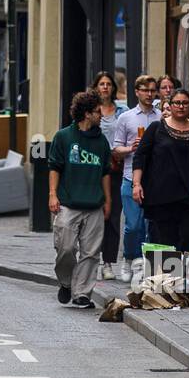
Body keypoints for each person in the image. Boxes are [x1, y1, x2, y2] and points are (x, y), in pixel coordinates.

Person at [133, 88, 189, 275]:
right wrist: (137, 184)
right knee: (164, 239)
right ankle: (165, 284)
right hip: (162, 194)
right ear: (170, 105)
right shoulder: (156, 129)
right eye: (177, 103)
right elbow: (140, 156)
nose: (181, 106)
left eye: (185, 103)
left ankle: (179, 273)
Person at [49, 90, 112, 309]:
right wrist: (52, 194)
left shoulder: (102, 141)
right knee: (65, 248)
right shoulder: (64, 137)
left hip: (94, 204)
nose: (101, 115)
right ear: (86, 114)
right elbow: (55, 168)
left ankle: (82, 293)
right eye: (97, 111)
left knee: (91, 253)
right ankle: (66, 282)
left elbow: (105, 172)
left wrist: (108, 201)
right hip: (68, 203)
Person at [112, 74, 162, 280]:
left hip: (155, 177)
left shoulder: (161, 117)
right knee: (133, 225)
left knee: (151, 225)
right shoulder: (126, 117)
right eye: (146, 90)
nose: (150, 94)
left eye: (152, 91)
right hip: (129, 175)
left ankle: (146, 265)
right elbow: (115, 148)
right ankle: (129, 257)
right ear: (137, 92)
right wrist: (130, 148)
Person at [93, 71, 125, 280]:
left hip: (115, 169)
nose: (105, 87)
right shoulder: (90, 111)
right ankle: (90, 257)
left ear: (113, 88)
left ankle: (108, 262)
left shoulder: (122, 112)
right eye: (101, 84)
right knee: (92, 216)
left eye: (108, 84)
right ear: (96, 87)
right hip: (93, 169)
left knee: (112, 216)